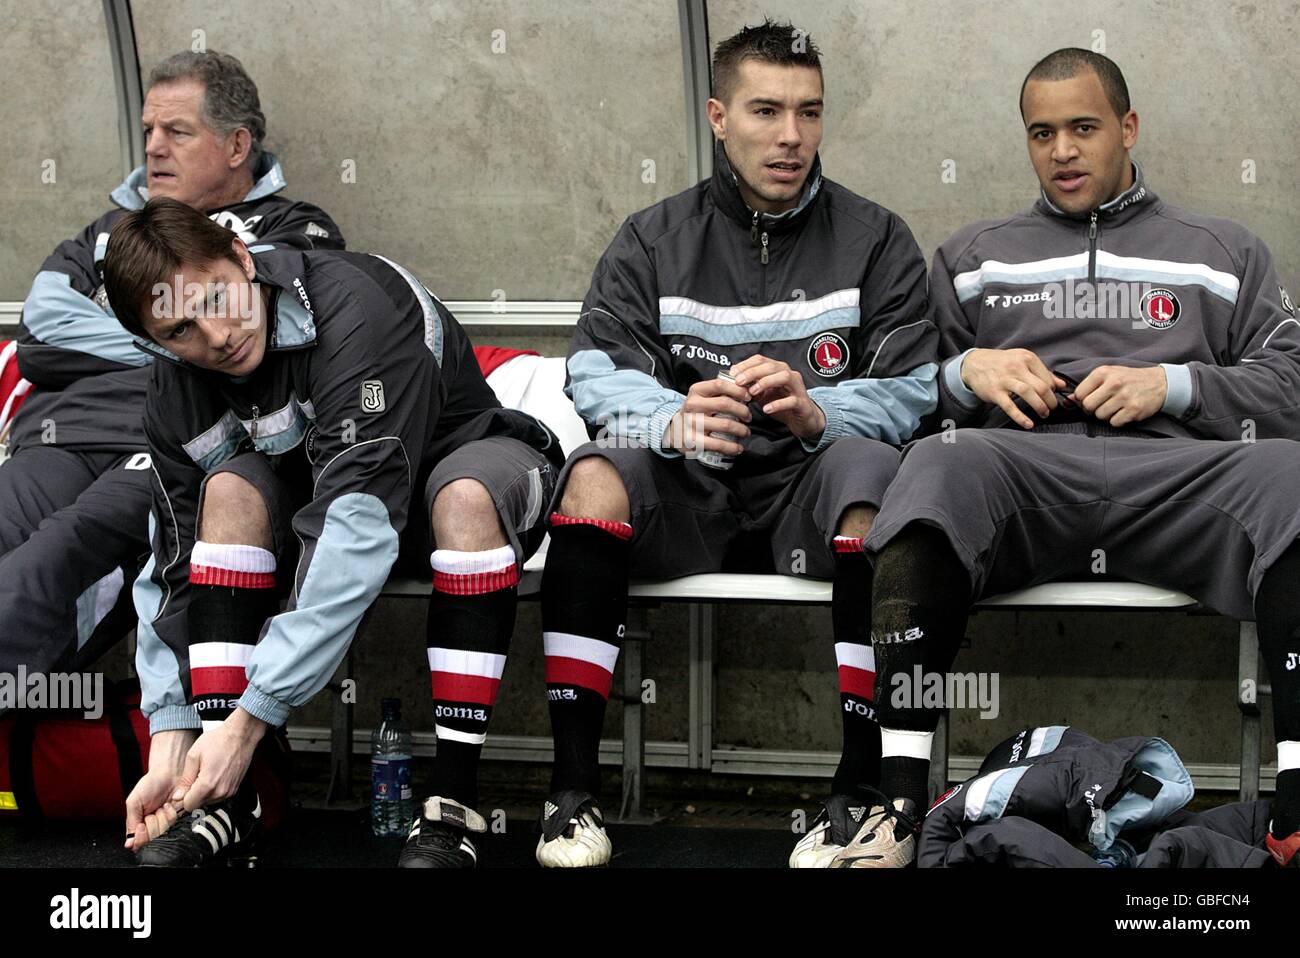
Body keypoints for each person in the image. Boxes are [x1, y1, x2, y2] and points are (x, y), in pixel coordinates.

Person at [860, 48, 1300, 867]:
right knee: (935, 469)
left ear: (1127, 129)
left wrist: (1172, 387)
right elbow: (894, 393)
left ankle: (1298, 808)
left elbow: (1291, 384)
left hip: (1180, 481)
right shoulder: (972, 258)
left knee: (1292, 478)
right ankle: (897, 806)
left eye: (1084, 127)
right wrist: (967, 371)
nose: (1062, 149)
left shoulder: (1225, 251)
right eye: (1042, 132)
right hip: (1027, 479)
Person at [534, 20, 938, 868]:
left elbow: (912, 389)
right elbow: (593, 378)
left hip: (809, 487)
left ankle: (857, 793)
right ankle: (570, 798)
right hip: (694, 489)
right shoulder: (652, 238)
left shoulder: (877, 239)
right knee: (595, 477)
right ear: (719, 117)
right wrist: (672, 417)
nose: (789, 137)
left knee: (874, 475)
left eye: (808, 112)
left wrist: (817, 413)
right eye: (765, 111)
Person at [101, 198, 563, 867]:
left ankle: (454, 804)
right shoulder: (175, 387)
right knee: (225, 491)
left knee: (462, 499)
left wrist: (254, 716)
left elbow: (356, 530)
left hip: (462, 473)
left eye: (218, 297)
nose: (216, 335)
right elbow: (171, 557)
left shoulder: (354, 309)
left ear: (240, 258)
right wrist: (169, 730)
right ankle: (225, 801)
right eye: (180, 330)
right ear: (154, 341)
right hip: (328, 515)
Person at [1, 50, 343, 683]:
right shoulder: (104, 232)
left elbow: (252, 337)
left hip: (167, 446)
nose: (153, 149)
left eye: (177, 132)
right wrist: (166, 333)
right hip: (60, 436)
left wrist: (141, 326)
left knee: (52, 556)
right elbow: (41, 338)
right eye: (149, 130)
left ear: (237, 144)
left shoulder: (294, 232)